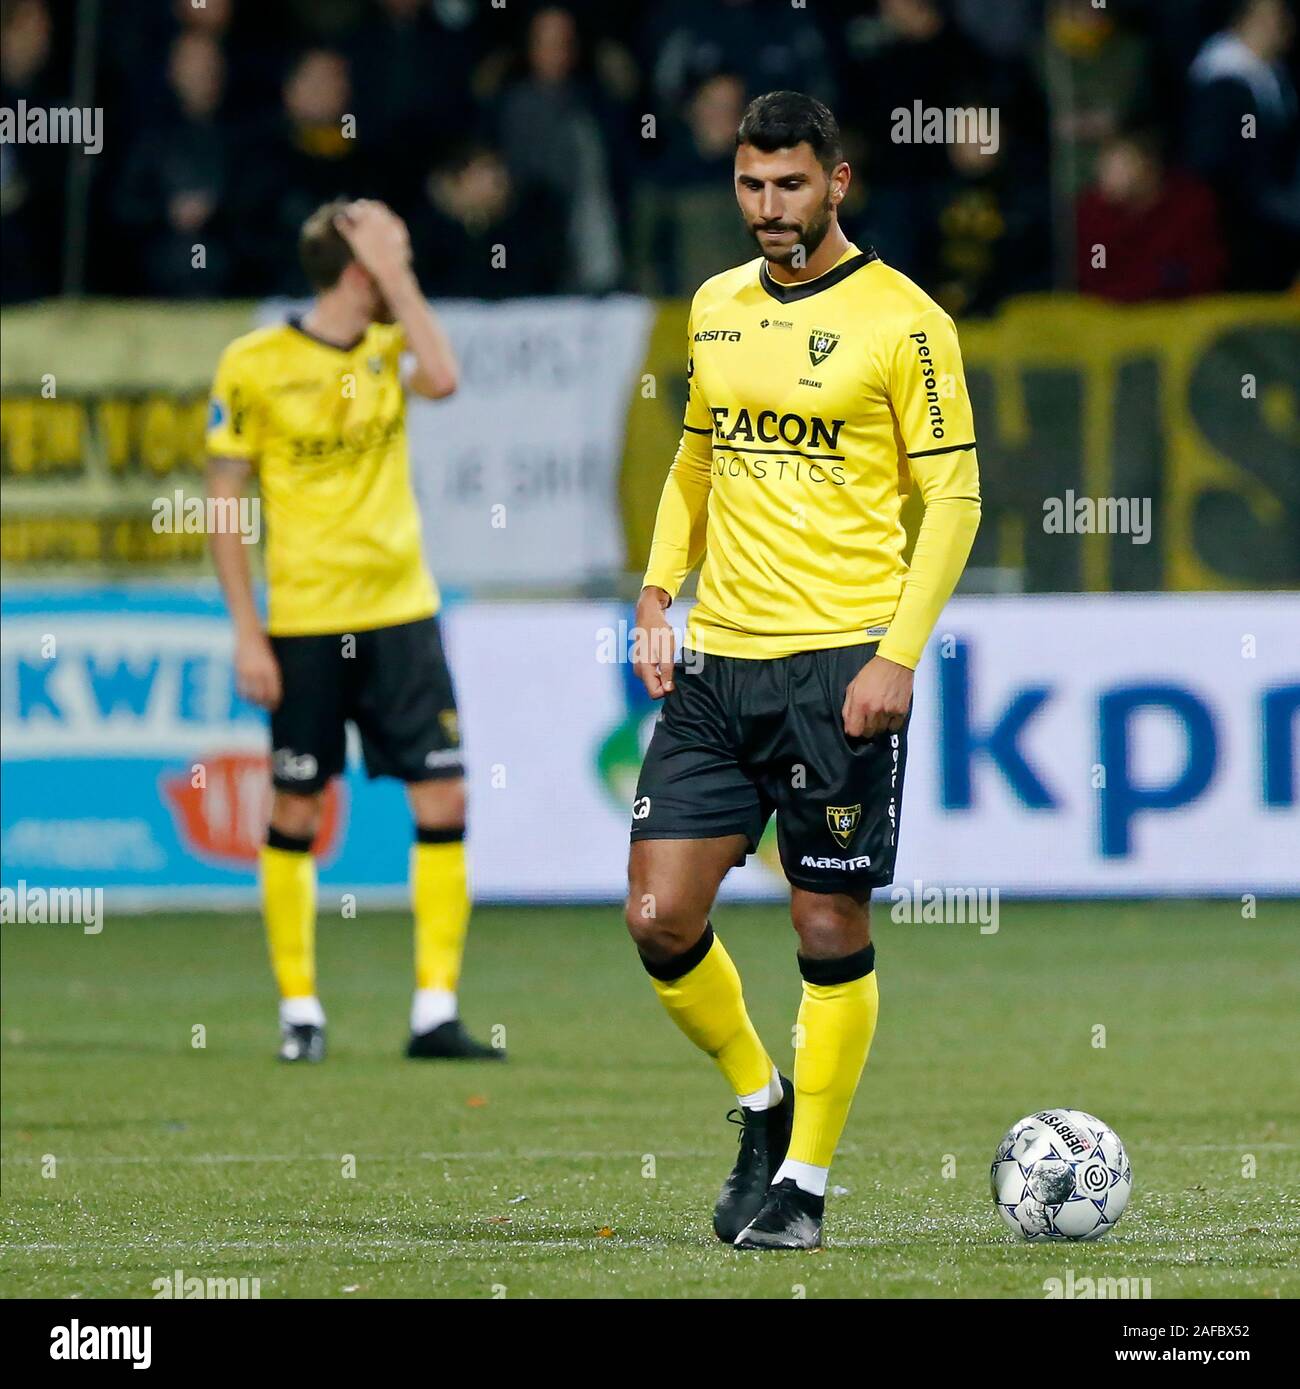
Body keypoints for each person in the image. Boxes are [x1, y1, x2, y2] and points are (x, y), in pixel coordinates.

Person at [626, 92, 980, 1250]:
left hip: (840, 669)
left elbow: (954, 500)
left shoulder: (905, 321)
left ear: (838, 182)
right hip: (718, 663)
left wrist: (896, 653)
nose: (767, 208)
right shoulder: (716, 306)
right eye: (748, 185)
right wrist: (657, 590)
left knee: (825, 924)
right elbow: (696, 455)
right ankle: (764, 1103)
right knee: (656, 917)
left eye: (788, 185)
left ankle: (806, 1188)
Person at [205, 199, 502, 1065]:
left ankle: (434, 1012)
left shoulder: (386, 347)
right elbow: (223, 506)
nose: (409, 268)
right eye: (394, 254)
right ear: (356, 268)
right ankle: (300, 1008)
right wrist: (246, 631)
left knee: (444, 798)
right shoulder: (253, 363)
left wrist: (399, 279)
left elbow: (444, 377)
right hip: (303, 621)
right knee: (298, 806)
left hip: (402, 612)